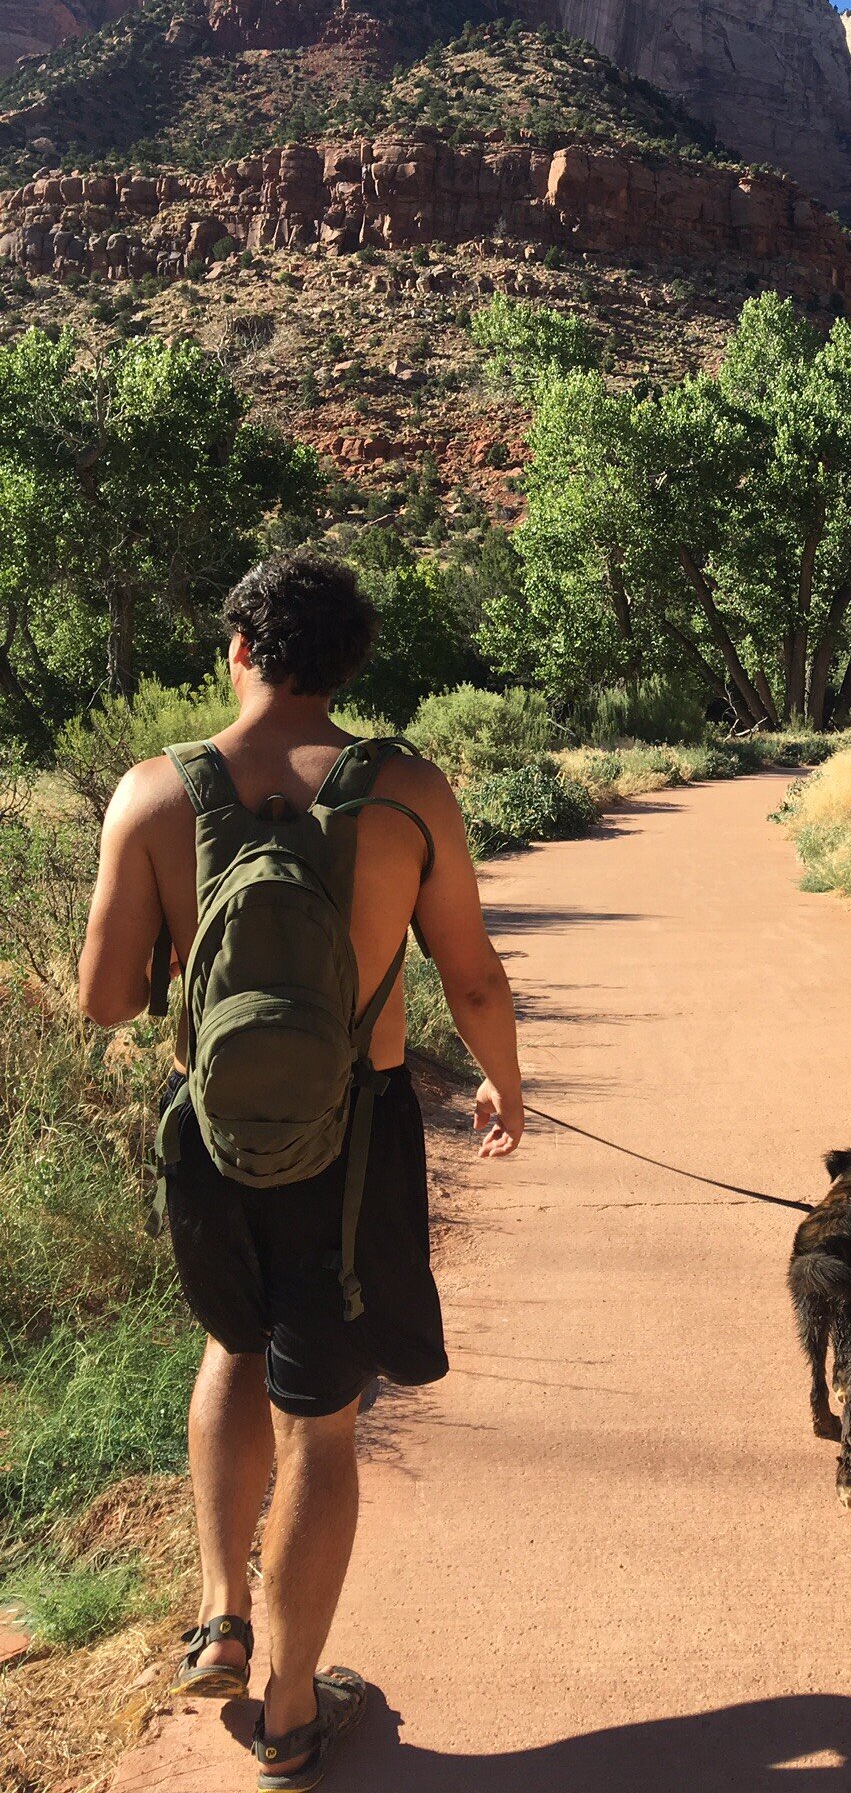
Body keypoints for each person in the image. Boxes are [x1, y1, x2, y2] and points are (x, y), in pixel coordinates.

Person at [78, 548, 525, 1791]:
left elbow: (108, 998)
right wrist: (504, 1080)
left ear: (237, 647)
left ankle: (221, 1615)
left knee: (230, 1345)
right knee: (323, 1413)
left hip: (212, 1134)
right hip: (360, 1131)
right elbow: (473, 972)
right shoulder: (408, 789)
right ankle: (285, 1711)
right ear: (353, 663)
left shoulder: (155, 792)